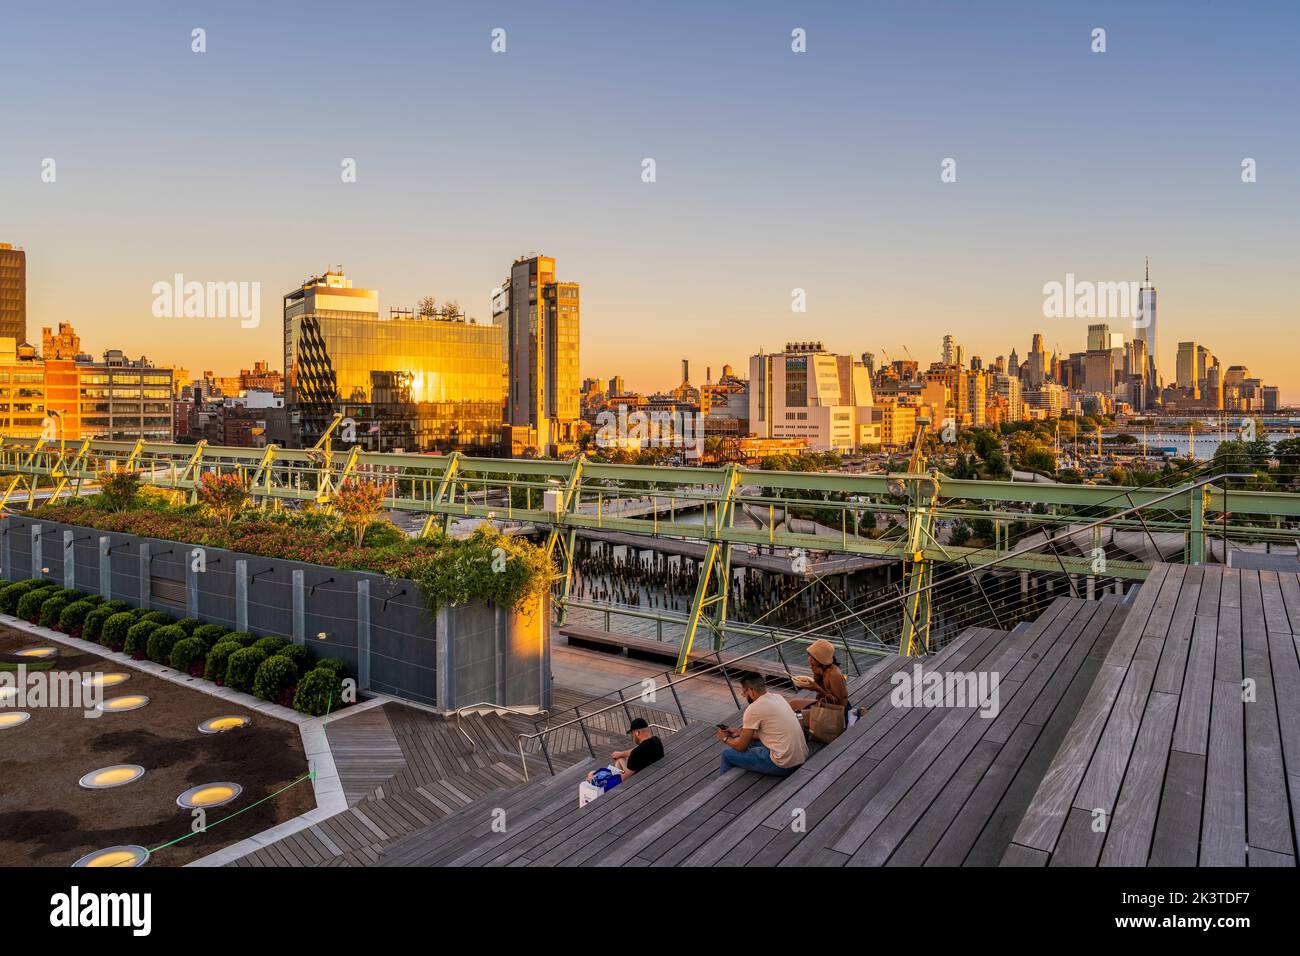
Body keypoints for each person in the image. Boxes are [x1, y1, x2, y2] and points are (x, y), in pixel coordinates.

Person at [717, 673, 809, 776]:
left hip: (783, 765)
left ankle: (722, 788)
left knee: (727, 755)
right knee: (751, 742)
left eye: (744, 692)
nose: (744, 695)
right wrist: (740, 732)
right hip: (801, 757)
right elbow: (769, 731)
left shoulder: (753, 709)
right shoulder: (778, 697)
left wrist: (725, 739)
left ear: (750, 691)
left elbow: (741, 747)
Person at [585, 717, 663, 785]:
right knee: (619, 761)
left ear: (637, 732)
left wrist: (593, 775)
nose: (633, 736)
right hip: (653, 772)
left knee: (591, 774)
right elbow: (637, 749)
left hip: (636, 781)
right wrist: (621, 754)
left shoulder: (636, 754)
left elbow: (624, 777)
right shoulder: (656, 741)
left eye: (632, 734)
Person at [788, 638, 849, 717]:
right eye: (809, 655)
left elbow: (838, 703)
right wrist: (816, 676)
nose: (809, 660)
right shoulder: (823, 669)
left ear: (821, 660)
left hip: (836, 713)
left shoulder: (834, 674)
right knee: (792, 703)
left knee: (796, 717)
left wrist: (817, 688)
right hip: (823, 704)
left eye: (812, 658)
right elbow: (818, 687)